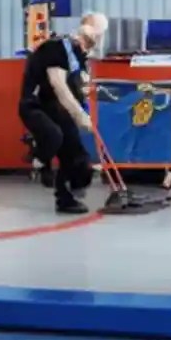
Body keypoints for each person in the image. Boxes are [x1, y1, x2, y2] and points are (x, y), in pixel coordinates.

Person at [18, 12, 109, 214]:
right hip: (36, 106)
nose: (97, 40)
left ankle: (66, 199)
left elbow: (76, 89)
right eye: (97, 34)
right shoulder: (56, 48)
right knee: (54, 136)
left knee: (79, 161)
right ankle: (39, 157)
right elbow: (59, 86)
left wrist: (84, 97)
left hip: (58, 109)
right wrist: (79, 115)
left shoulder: (80, 57)